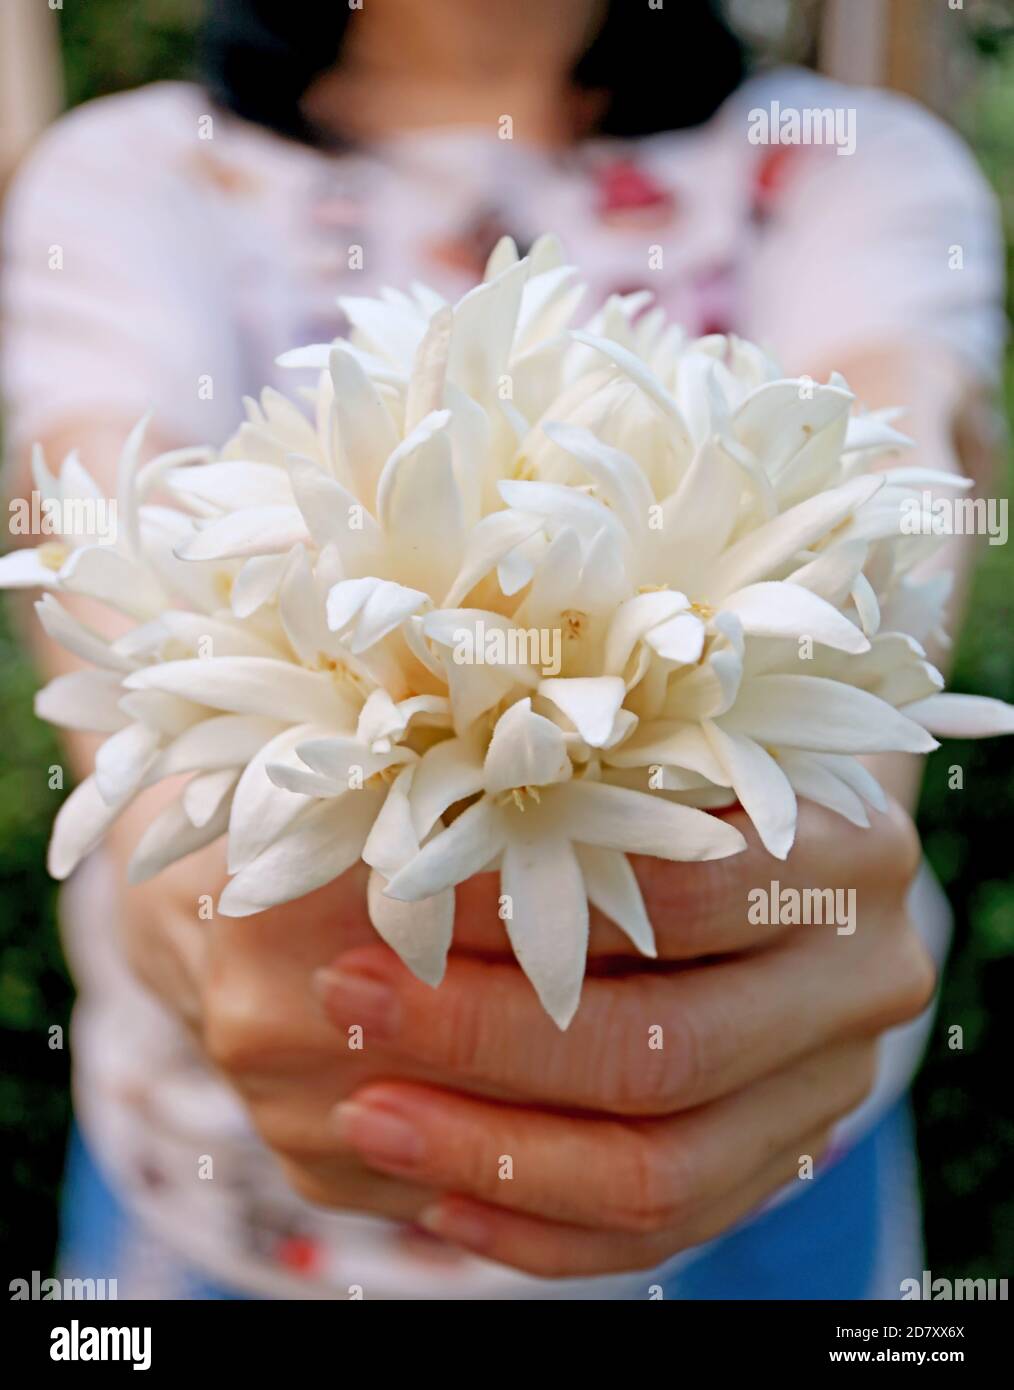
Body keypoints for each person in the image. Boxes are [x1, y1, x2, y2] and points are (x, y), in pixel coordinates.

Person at [1, 0, 1004, 1299]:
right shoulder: (137, 171)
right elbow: (94, 517)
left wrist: (823, 845)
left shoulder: (850, 166)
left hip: (771, 1180)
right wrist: (181, 877)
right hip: (217, 1222)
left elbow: (885, 469)